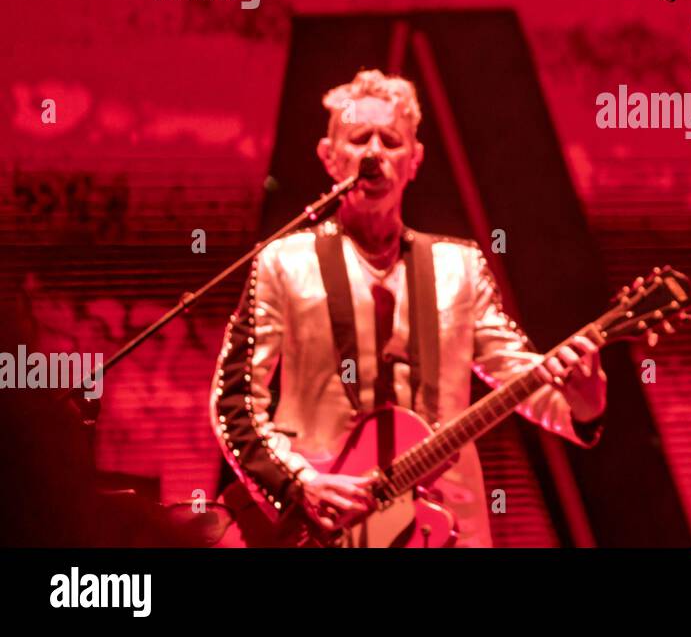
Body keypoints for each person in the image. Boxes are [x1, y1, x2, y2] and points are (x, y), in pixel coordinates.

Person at [210, 68, 607, 547]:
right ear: (329, 158)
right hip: (327, 531)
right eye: (359, 139)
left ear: (415, 160)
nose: (375, 153)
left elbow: (520, 377)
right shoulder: (283, 261)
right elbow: (233, 404)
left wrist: (583, 407)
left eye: (391, 141)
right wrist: (300, 485)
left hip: (448, 532)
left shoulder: (459, 268)